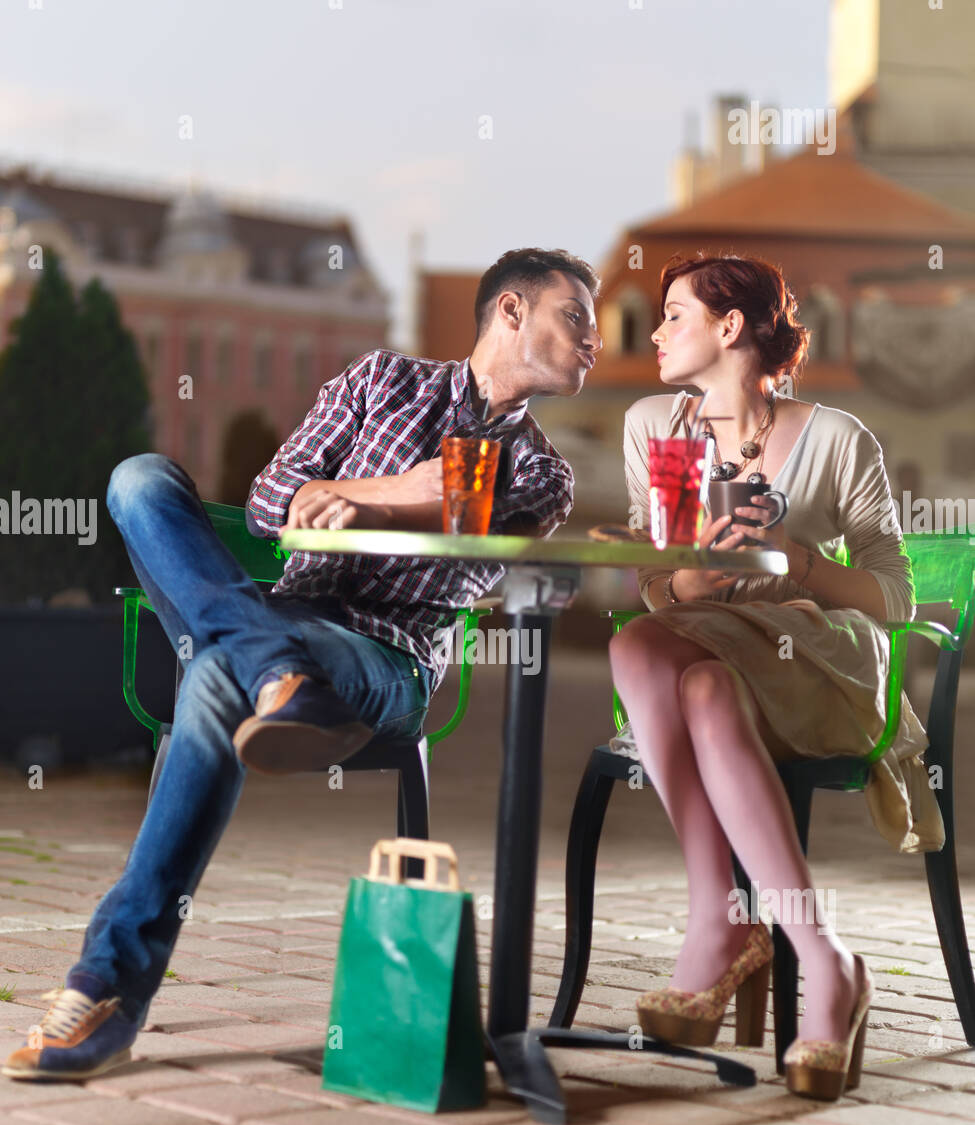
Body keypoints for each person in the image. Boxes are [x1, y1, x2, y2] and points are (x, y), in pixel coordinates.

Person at [4, 246, 602, 1082]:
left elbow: (475, 508)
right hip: (283, 613)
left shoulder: (545, 471)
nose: (595, 339)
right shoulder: (379, 379)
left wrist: (363, 492)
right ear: (510, 311)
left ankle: (103, 992)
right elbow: (267, 500)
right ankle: (276, 670)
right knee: (139, 480)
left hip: (386, 659)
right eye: (575, 315)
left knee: (215, 676)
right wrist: (382, 492)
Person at [608, 251, 944, 1102]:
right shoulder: (658, 427)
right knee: (661, 655)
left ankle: (726, 935)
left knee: (660, 657)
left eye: (673, 314)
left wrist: (797, 565)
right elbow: (662, 583)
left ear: (729, 328)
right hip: (709, 644)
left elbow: (894, 595)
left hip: (816, 655)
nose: (654, 333)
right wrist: (692, 581)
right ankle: (813, 957)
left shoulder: (833, 438)